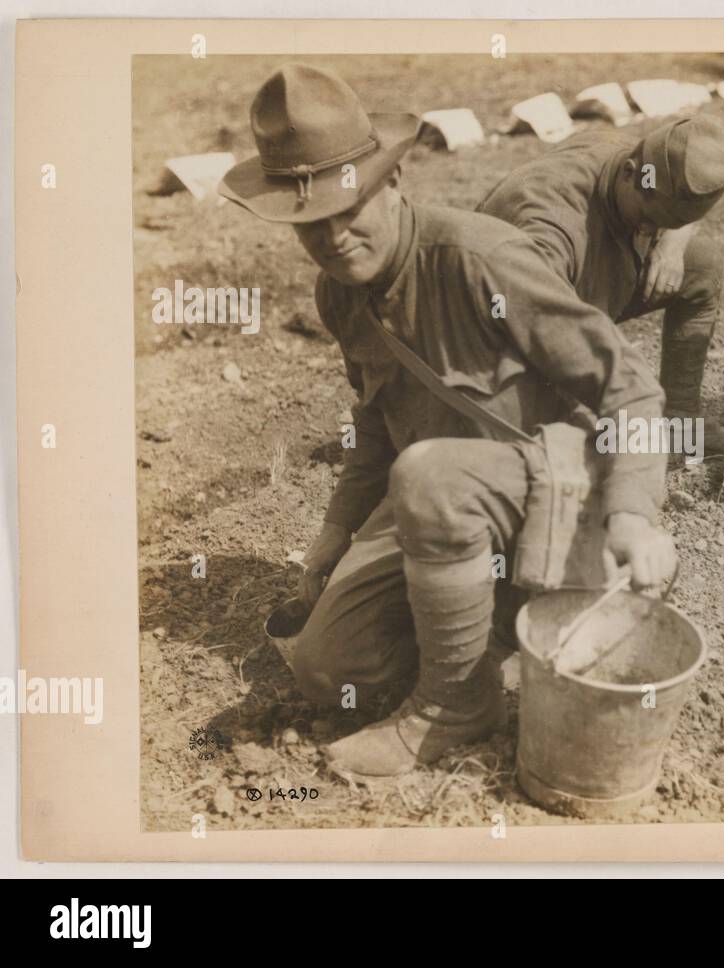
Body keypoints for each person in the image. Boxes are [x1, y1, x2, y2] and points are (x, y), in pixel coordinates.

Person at [220, 64, 676, 776]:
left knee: (429, 472)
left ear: (394, 182)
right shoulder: (340, 297)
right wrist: (334, 534)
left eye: (351, 209)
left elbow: (631, 388)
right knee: (331, 668)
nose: (336, 238)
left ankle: (455, 705)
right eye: (312, 225)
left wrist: (632, 516)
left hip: (551, 492)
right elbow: (376, 425)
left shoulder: (480, 258)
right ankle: (486, 616)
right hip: (440, 504)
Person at [478, 115, 724, 457]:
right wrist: (622, 406)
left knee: (700, 266)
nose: (651, 232)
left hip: (583, 278)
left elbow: (677, 212)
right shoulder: (550, 223)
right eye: (650, 221)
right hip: (500, 322)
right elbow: (540, 329)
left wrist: (673, 243)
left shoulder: (649, 162)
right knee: (581, 446)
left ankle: (678, 423)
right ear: (629, 172)